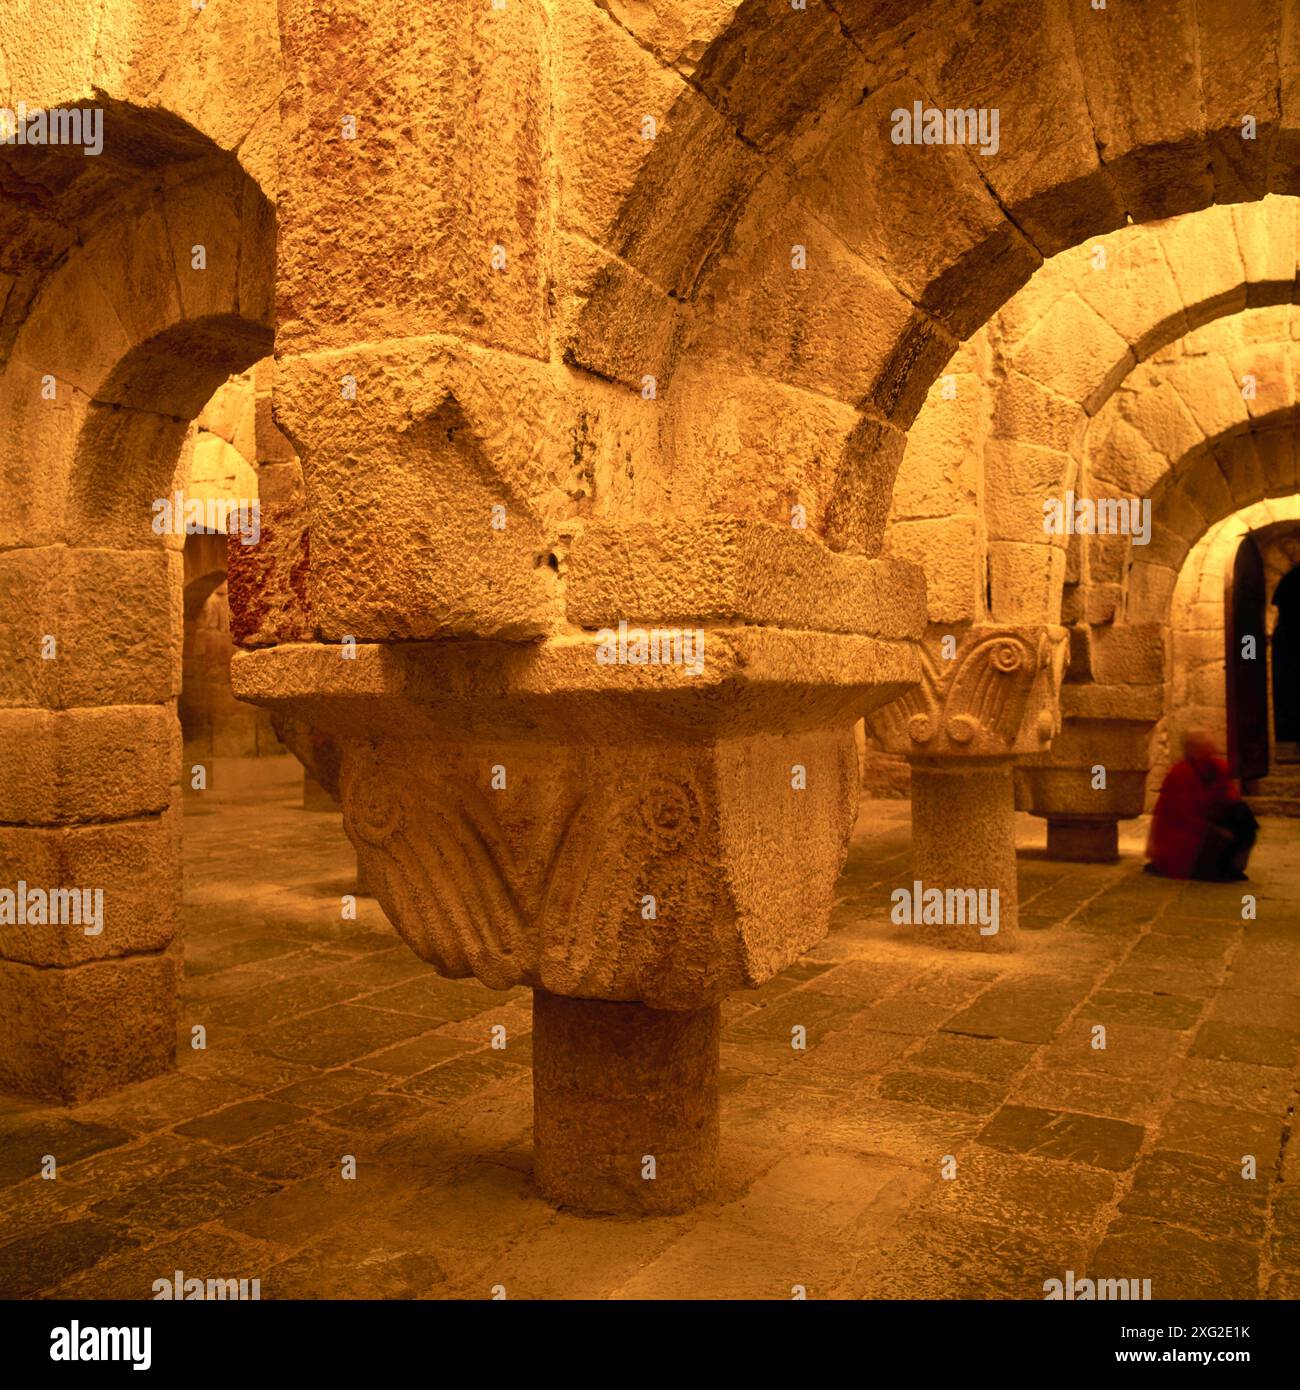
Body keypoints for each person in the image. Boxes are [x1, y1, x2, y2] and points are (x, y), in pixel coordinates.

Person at [1146, 729, 1259, 882]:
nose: (1211, 750)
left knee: (1243, 814)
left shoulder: (1216, 767)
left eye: (1210, 746)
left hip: (1207, 823)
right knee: (1218, 844)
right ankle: (1221, 868)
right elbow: (1182, 817)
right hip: (1185, 838)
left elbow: (1230, 797)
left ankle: (1234, 866)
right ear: (1192, 750)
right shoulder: (1179, 774)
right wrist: (1217, 829)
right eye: (1205, 747)